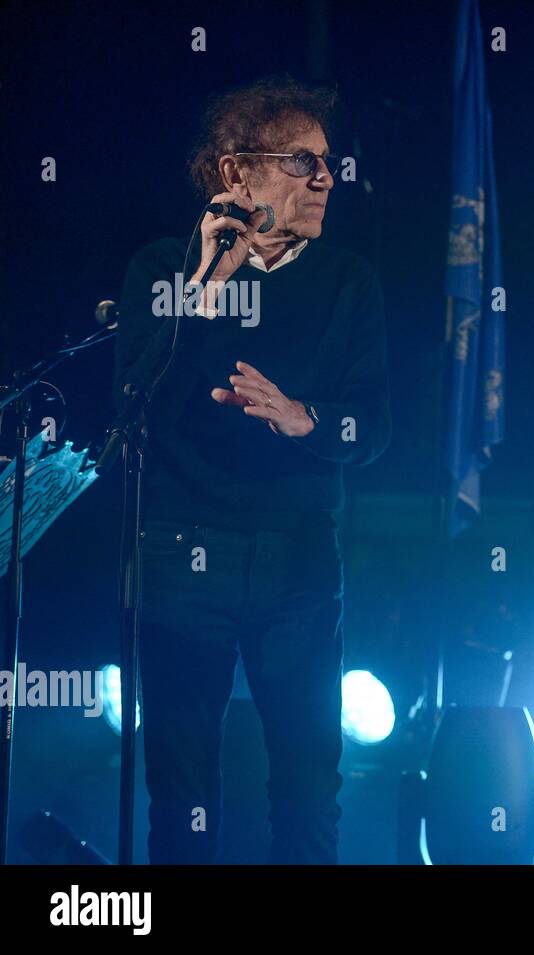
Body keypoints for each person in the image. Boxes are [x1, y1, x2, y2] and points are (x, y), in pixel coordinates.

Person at [112, 76, 391, 864]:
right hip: (178, 553)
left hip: (297, 557)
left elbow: (373, 430)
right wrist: (204, 292)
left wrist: (305, 419)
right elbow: (135, 405)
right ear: (236, 173)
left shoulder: (348, 282)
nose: (327, 178)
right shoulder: (163, 269)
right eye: (305, 161)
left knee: (308, 785)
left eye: (329, 162)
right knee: (182, 790)